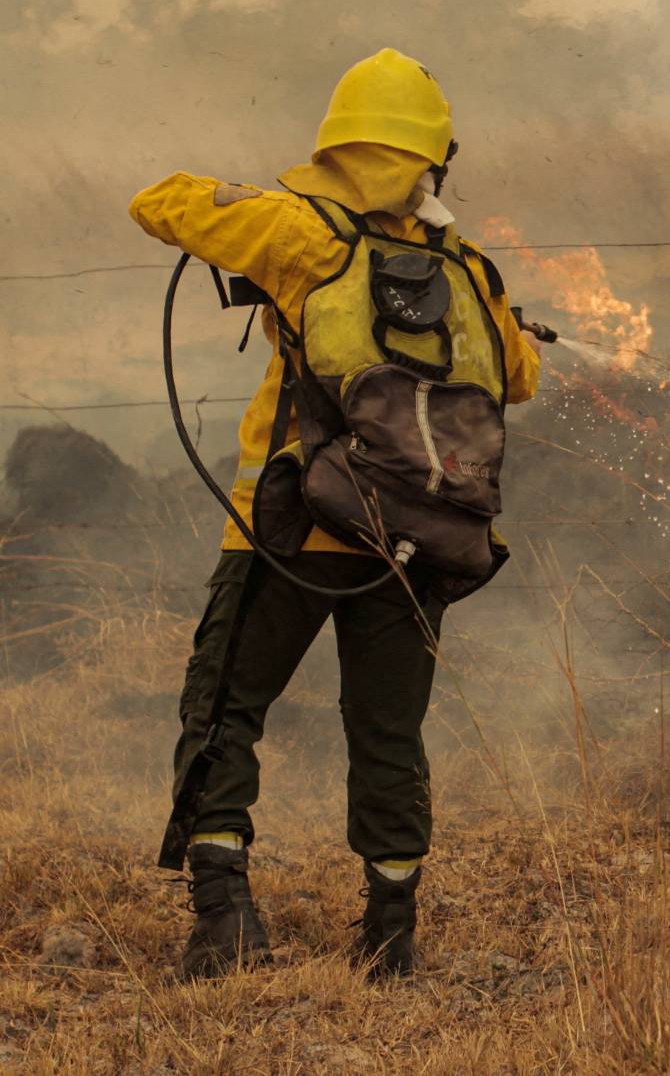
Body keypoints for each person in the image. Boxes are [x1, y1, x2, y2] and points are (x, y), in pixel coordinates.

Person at [130, 48, 542, 979]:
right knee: (389, 732)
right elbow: (519, 374)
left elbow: (158, 200)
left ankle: (226, 917)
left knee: (226, 705)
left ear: (337, 144)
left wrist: (239, 208)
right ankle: (390, 933)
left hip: (289, 524)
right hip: (418, 542)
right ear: (434, 156)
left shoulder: (300, 233)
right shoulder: (467, 266)